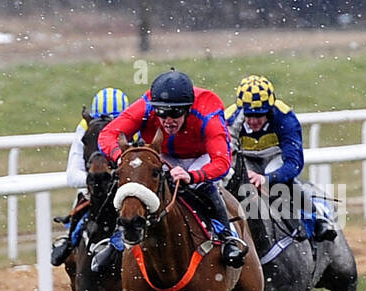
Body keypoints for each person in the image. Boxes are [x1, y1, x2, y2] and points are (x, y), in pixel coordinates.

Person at [91, 68, 248, 272]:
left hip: (200, 156)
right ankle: (115, 243)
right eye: (162, 112)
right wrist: (121, 157)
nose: (167, 120)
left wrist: (193, 176)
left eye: (175, 113)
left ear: (188, 108)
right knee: (130, 184)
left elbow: (221, 161)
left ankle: (227, 238)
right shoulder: (147, 105)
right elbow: (108, 134)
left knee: (204, 188)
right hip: (161, 154)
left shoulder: (208, 109)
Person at [225, 74, 337, 243]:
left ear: (270, 110)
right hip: (245, 157)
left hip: (274, 156)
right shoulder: (229, 119)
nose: (254, 121)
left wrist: (268, 178)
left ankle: (318, 216)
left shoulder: (285, 117)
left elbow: (294, 163)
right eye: (249, 115)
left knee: (279, 180)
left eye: (260, 115)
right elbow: (222, 155)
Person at [50, 87, 128, 266]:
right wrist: (97, 180)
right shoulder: (84, 128)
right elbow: (72, 175)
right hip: (94, 190)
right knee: (83, 201)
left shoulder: (136, 127)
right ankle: (71, 241)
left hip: (126, 186)